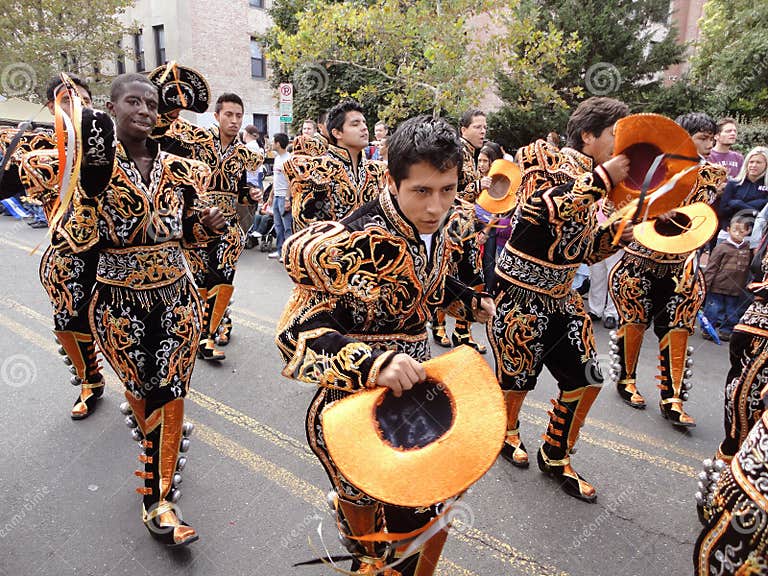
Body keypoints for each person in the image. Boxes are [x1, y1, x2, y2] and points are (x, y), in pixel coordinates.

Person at [276, 115, 495, 575]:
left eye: (447, 190)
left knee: (428, 513)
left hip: (419, 397)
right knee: (379, 523)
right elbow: (296, 332)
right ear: (392, 182)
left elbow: (426, 281)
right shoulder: (353, 241)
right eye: (421, 191)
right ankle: (364, 553)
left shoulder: (440, 225)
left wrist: (469, 303)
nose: (436, 206)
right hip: (356, 407)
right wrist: (374, 364)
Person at [80, 72, 225, 547]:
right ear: (113, 107)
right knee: (143, 391)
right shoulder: (90, 165)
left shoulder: (181, 169)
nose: (145, 110)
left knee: (170, 388)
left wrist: (206, 223)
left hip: (176, 297)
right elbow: (75, 233)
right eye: (134, 102)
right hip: (117, 301)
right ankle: (154, 452)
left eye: (151, 104)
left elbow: (192, 233)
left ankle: (158, 501)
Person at [487, 96, 632, 502]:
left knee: (588, 378)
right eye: (614, 135)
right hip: (522, 290)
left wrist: (625, 229)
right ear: (589, 135)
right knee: (517, 375)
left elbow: (583, 248)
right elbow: (538, 210)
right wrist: (602, 180)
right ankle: (506, 431)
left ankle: (555, 453)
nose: (621, 144)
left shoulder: (597, 181)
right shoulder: (544, 159)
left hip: (563, 293)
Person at [608, 112, 727, 427]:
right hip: (640, 257)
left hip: (681, 262)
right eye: (702, 137)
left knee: (678, 328)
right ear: (684, 137)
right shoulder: (652, 171)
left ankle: (672, 397)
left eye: (711, 138)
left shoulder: (711, 175)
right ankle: (626, 379)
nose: (709, 143)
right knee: (633, 320)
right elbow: (619, 208)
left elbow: (706, 216)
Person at [6, 74, 106, 420]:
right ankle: (90, 380)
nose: (77, 107)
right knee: (68, 322)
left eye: (83, 100)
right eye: (67, 101)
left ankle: (140, 386)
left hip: (117, 253)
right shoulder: (38, 149)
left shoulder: (111, 143)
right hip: (68, 252)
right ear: (51, 108)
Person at [160, 92, 262, 359]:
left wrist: (249, 194)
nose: (234, 120)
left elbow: (239, 190)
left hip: (228, 226)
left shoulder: (241, 154)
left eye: (239, 116)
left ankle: (206, 338)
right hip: (195, 224)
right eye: (228, 114)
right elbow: (164, 146)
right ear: (216, 116)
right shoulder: (196, 142)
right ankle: (215, 324)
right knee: (203, 280)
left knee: (223, 276)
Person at [430, 109, 487, 352]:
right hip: (450, 228)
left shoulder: (475, 155)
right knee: (447, 275)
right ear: (463, 129)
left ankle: (463, 330)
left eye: (485, 127)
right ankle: (438, 325)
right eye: (477, 127)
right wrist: (477, 186)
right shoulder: (455, 153)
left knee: (473, 279)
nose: (483, 131)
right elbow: (445, 193)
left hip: (469, 228)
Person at [283, 100, 387, 231]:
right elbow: (307, 225)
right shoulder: (319, 169)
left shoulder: (376, 171)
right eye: (355, 124)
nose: (364, 128)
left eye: (364, 123)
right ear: (337, 133)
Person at [702, 214, 752, 342]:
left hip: (736, 288)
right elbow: (711, 267)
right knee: (713, 309)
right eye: (734, 230)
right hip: (717, 286)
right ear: (728, 229)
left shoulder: (747, 249)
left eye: (742, 231)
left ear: (748, 231)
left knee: (732, 312)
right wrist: (706, 284)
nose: (737, 234)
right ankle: (708, 329)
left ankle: (726, 331)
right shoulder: (722, 248)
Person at [718, 146, 768, 234]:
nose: (753, 165)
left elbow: (763, 216)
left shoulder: (766, 187)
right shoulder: (734, 183)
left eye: (758, 162)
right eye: (751, 162)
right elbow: (722, 212)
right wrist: (756, 206)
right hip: (730, 233)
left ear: (766, 165)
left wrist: (738, 204)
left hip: (757, 234)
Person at [268, 132, 292, 260]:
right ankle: (279, 251)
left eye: (273, 141)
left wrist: (288, 199)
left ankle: (288, 253)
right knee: (278, 225)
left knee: (287, 226)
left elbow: (290, 182)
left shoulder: (288, 159)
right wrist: (271, 195)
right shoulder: (277, 158)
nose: (272, 144)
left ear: (278, 143)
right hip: (277, 196)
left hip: (284, 197)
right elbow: (275, 179)